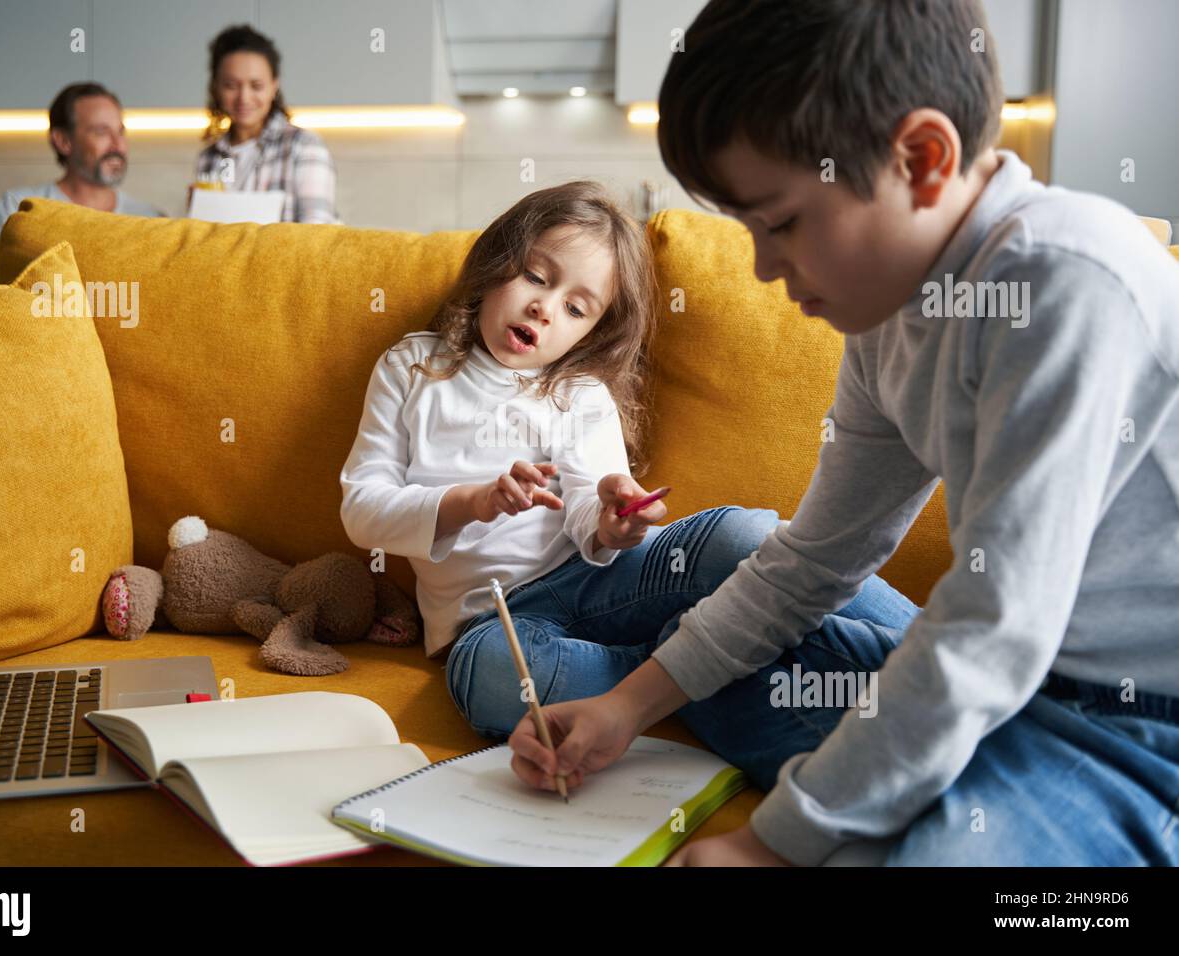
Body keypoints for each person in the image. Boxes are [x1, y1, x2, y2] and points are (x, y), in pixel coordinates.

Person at [508, 0, 1179, 867]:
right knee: (720, 681)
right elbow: (811, 564)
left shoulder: (1064, 283)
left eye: (780, 222)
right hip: (1016, 686)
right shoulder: (885, 320)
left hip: (1134, 726)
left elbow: (992, 628)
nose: (762, 266)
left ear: (922, 160)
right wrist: (623, 709)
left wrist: (769, 846)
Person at [339, 180, 916, 743]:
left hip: (599, 581)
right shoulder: (413, 366)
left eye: (575, 308)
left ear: (592, 331)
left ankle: (933, 645)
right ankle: (694, 656)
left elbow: (591, 502)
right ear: (497, 262)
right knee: (496, 682)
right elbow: (363, 510)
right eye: (535, 277)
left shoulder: (578, 393)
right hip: (493, 624)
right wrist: (473, 501)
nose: (543, 309)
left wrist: (613, 521)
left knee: (743, 534)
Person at [0, 83, 162, 284]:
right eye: (102, 132)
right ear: (63, 141)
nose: (118, 145)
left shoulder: (150, 219)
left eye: (120, 132)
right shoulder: (19, 207)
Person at [194, 24, 339, 224]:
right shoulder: (208, 158)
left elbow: (318, 233)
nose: (244, 98)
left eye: (256, 86)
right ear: (216, 88)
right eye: (231, 86)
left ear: (274, 86)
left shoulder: (304, 147)